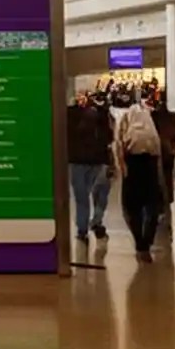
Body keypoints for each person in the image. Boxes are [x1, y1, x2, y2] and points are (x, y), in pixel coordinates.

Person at [116, 100, 163, 263]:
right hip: (149, 168)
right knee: (152, 207)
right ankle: (146, 242)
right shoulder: (151, 128)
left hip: (132, 167)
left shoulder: (126, 122)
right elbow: (157, 151)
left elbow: (119, 144)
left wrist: (122, 168)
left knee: (132, 208)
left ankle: (139, 243)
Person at [68, 93, 113, 243]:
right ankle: (96, 221)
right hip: (97, 161)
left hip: (77, 161)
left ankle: (82, 230)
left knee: (82, 198)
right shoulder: (100, 117)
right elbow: (109, 137)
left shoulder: (72, 116)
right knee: (99, 194)